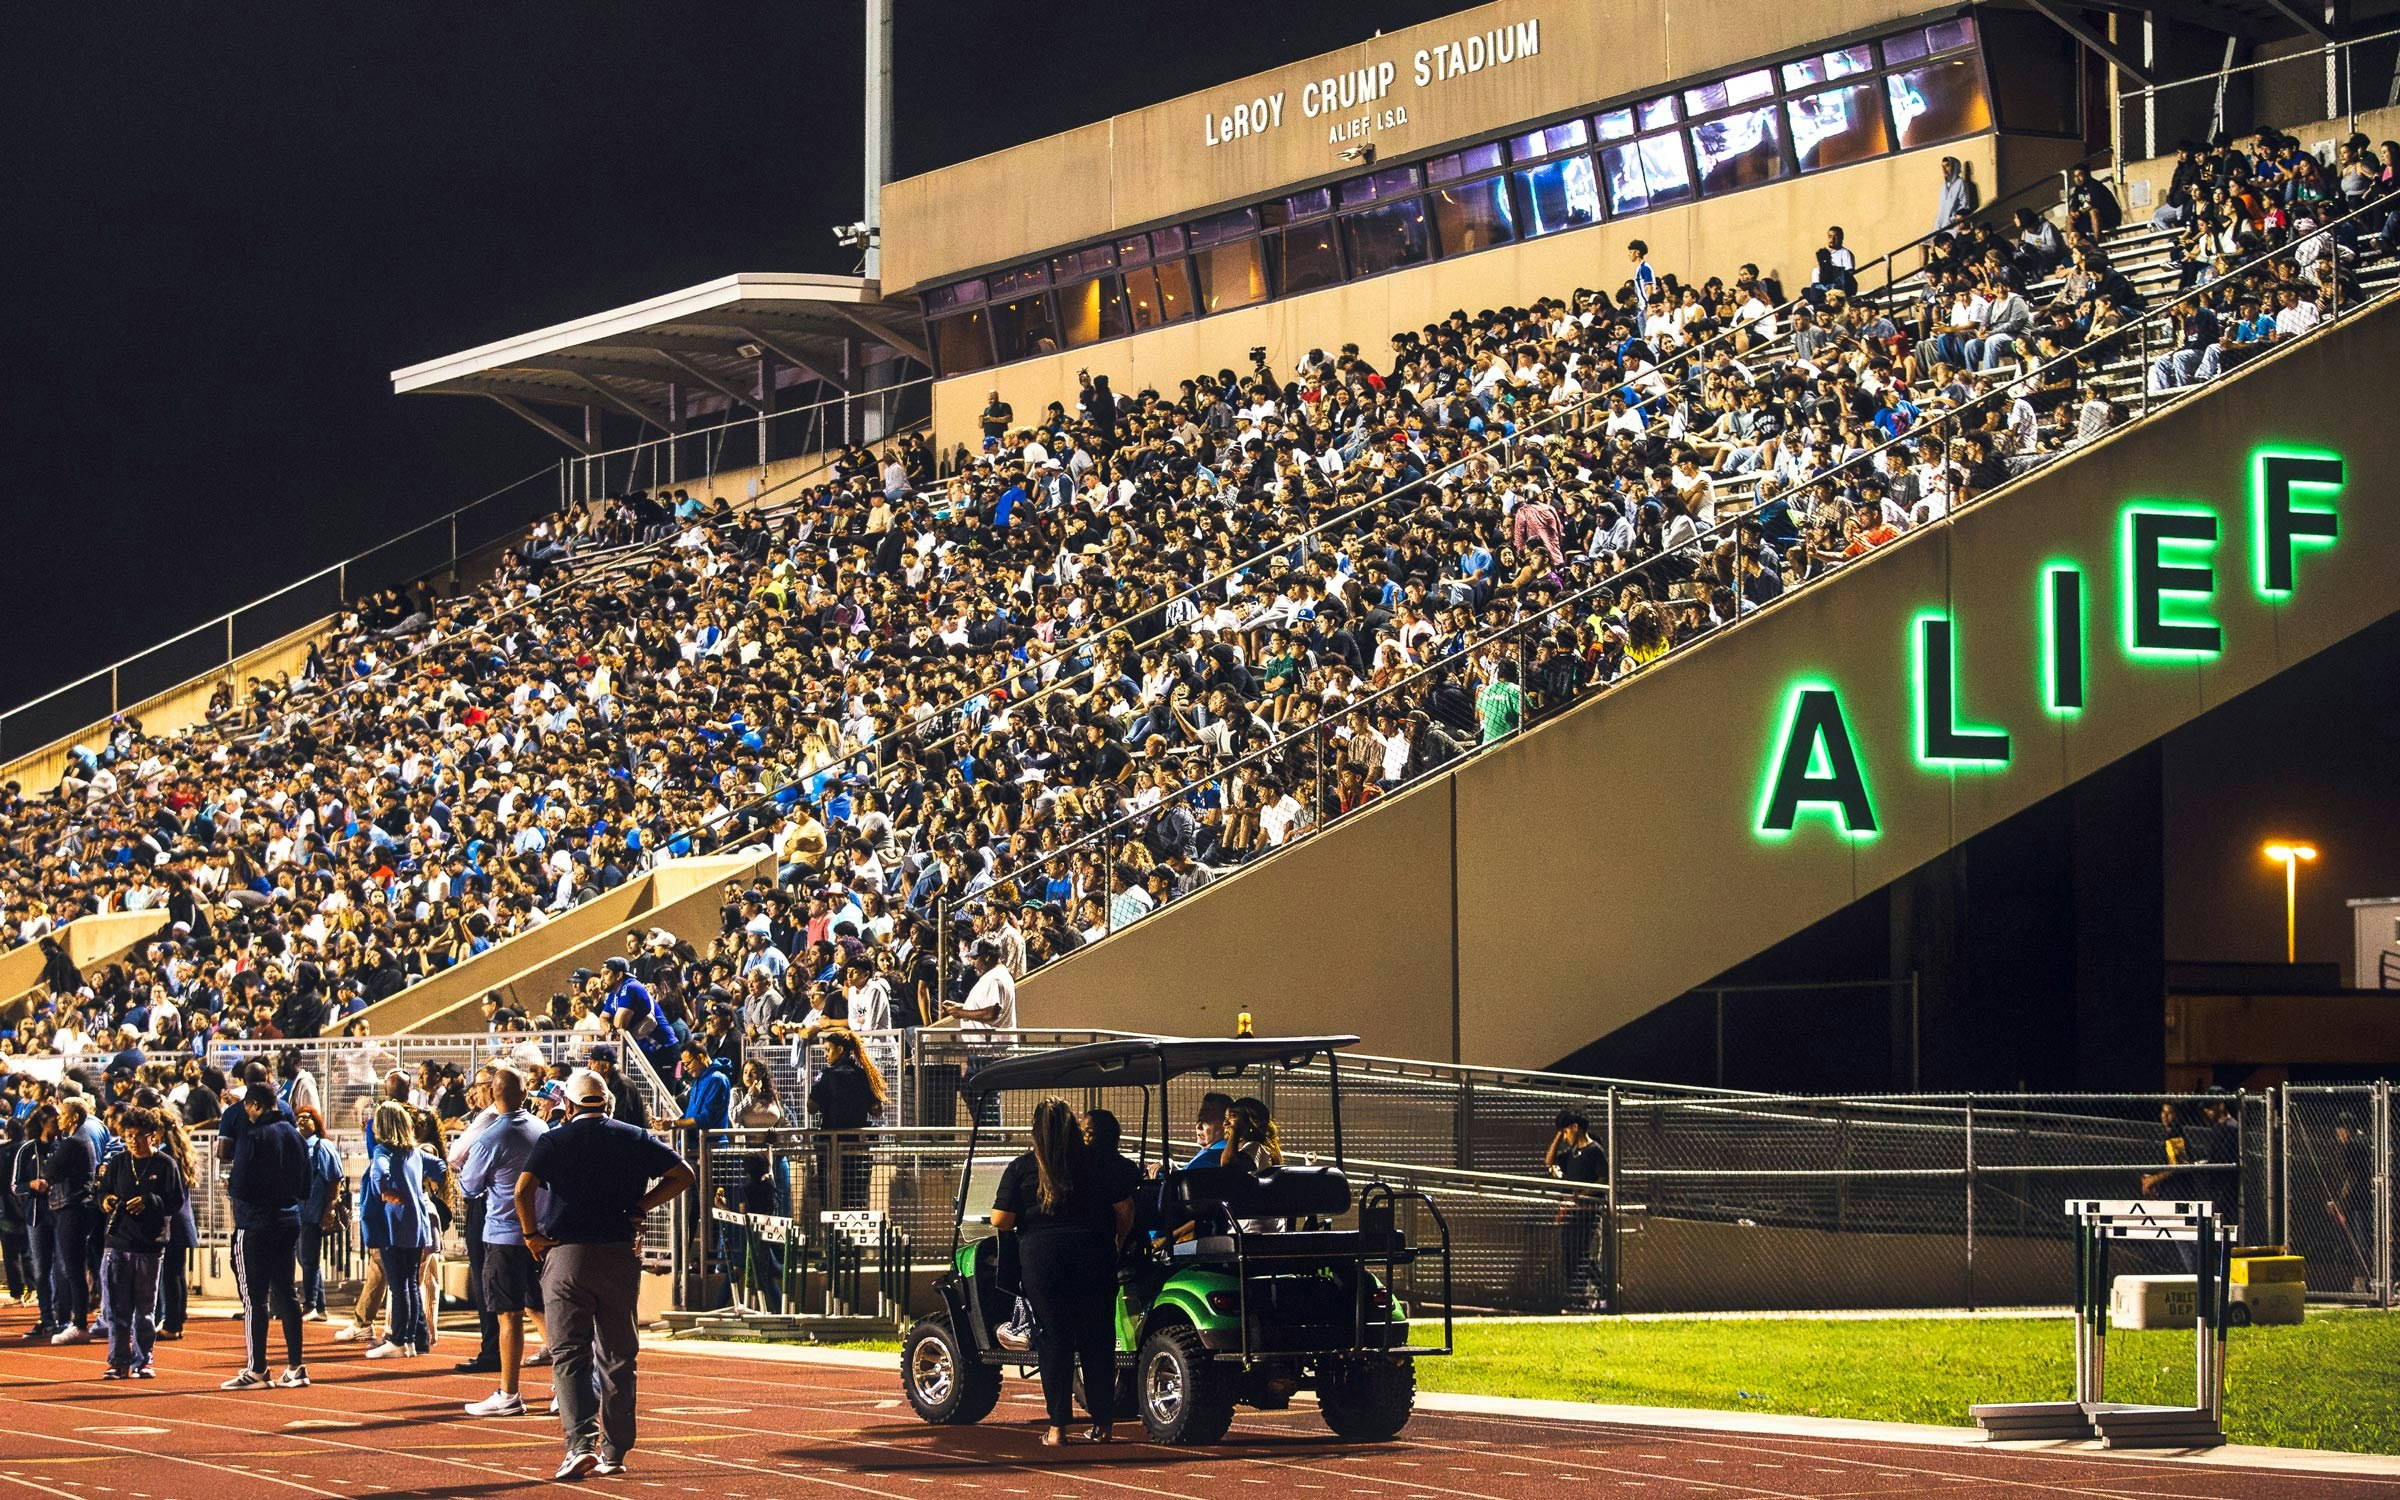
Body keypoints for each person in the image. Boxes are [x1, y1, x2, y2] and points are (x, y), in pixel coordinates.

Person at [517, 1069, 694, 1481]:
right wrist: (642, 1207)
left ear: (570, 1106)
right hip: (618, 1252)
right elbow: (683, 1174)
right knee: (618, 1356)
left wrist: (531, 1236)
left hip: (567, 1254)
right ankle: (615, 1450)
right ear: (608, 1103)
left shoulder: (555, 1139)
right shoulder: (634, 1136)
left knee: (569, 1354)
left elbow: (522, 1189)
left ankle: (580, 1443)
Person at [991, 1097, 1133, 1446]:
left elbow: (1001, 1219)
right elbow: (1125, 1208)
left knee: (1054, 1342)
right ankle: (1103, 1425)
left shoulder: (1023, 1167)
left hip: (1043, 1261)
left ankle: (1057, 1428)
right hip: (1093, 1256)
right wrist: (1117, 1240)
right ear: (1073, 1128)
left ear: (1034, 1131)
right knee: (1096, 1341)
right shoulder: (1096, 1162)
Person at [458, 1066, 550, 1418]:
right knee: (541, 1309)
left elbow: (469, 1186)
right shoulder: (543, 1130)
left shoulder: (491, 1137)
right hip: (539, 1233)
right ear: (525, 1094)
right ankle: (564, 1386)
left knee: (508, 1315)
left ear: (493, 1097)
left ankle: (509, 1392)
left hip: (504, 1233)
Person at [223, 1082, 311, 1390]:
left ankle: (257, 1368)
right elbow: (306, 1186)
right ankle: (296, 1366)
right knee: (287, 1293)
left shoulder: (254, 1135)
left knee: (255, 1298)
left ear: (254, 1105)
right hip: (289, 1218)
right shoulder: (296, 1136)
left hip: (257, 1222)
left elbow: (239, 1183)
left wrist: (237, 1190)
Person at [95, 1106, 183, 1378]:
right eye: (128, 1135)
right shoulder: (119, 1162)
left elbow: (175, 1202)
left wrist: (149, 1201)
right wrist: (105, 1201)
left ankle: (143, 1359)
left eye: (139, 1135)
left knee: (145, 1311)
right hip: (117, 1243)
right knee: (116, 1309)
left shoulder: (165, 1164)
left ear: (153, 1136)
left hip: (149, 1247)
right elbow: (101, 1192)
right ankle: (117, 1362)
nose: (133, 1140)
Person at [361, 1099, 435, 1360]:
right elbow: (439, 1166)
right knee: (411, 1284)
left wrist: (386, 1192)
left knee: (399, 1284)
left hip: (395, 1225)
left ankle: (398, 1339)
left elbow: (378, 1173)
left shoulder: (384, 1151)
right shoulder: (414, 1152)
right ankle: (411, 1339)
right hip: (417, 1224)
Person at [37, 1098, 98, 1345]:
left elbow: (49, 1170)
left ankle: (80, 1322)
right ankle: (79, 1320)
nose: (58, 1118)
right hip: (77, 1206)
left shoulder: (73, 1143)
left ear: (73, 1117)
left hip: (72, 1207)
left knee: (73, 1268)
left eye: (62, 1114)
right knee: (75, 1267)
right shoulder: (81, 1140)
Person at [809, 1030, 887, 1209]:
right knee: (856, 1196)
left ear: (840, 1049)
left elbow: (811, 1107)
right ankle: (852, 1233)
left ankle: (832, 1235)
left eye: (828, 1050)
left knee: (830, 1197)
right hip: (857, 1147)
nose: (825, 1055)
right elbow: (876, 1109)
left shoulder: (827, 1075)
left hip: (831, 1146)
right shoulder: (864, 1074)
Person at [1545, 1109, 1606, 1311]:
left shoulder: (1594, 1150)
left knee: (1584, 1258)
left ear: (1575, 1127)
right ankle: (1577, 1299)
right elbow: (1549, 1162)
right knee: (1570, 1256)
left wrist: (1583, 1194)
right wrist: (1557, 1136)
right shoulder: (1571, 1154)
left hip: (1587, 1214)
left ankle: (1602, 1292)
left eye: (1566, 1132)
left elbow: (1604, 1179)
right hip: (1571, 1214)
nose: (1565, 1137)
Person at [294, 1107, 342, 1321]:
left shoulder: (323, 1146)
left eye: (307, 1118)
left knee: (309, 1257)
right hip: (298, 1212)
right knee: (304, 1258)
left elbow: (334, 1179)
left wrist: (329, 1209)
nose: (302, 1121)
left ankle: (311, 1304)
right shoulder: (297, 1146)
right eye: (299, 1118)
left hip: (314, 1212)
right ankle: (319, 1305)